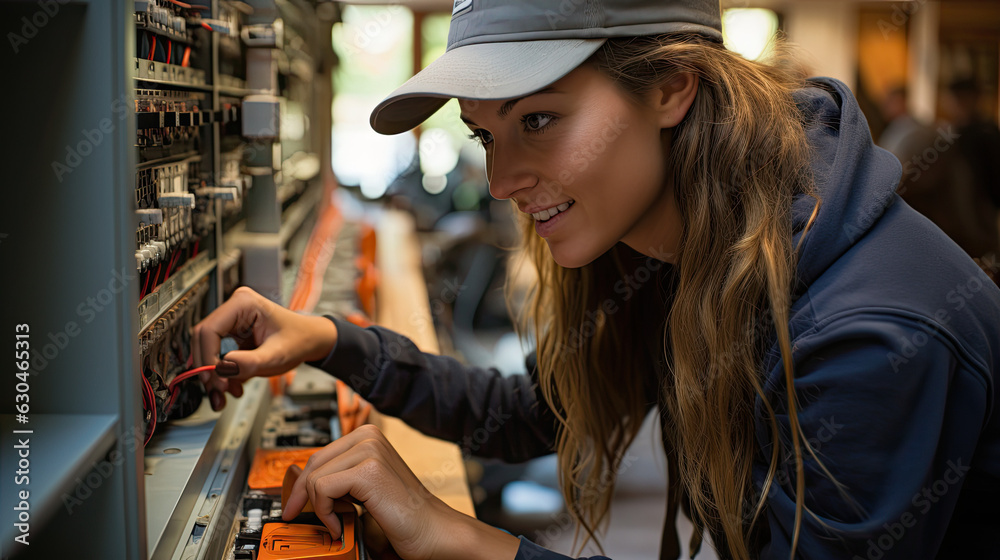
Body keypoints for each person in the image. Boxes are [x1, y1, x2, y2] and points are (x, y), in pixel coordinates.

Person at [192, 1, 1000, 559]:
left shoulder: (868, 332)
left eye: (538, 120)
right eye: (485, 135)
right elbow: (530, 414)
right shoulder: (682, 241)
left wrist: (465, 538)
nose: (503, 178)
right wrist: (332, 340)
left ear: (672, 87)